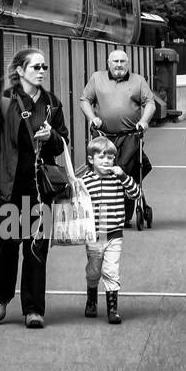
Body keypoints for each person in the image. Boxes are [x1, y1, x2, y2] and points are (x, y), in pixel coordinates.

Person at [0, 47, 70, 329]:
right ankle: (1, 297)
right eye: (36, 67)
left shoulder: (52, 103)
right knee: (6, 246)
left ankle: (33, 308)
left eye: (44, 67)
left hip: (39, 188)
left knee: (36, 247)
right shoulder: (3, 103)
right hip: (8, 188)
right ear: (20, 70)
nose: (42, 71)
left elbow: (64, 141)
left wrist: (51, 135)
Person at [80, 50, 155, 226]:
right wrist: (92, 118)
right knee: (100, 173)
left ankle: (125, 215)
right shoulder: (97, 78)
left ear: (127, 63)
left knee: (125, 173)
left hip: (129, 136)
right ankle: (98, 213)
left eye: (122, 61)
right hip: (103, 136)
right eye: (115, 61)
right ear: (108, 63)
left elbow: (150, 103)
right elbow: (85, 100)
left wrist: (144, 121)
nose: (119, 65)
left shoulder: (138, 80)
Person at [77, 136, 139, 324]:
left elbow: (135, 193)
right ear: (91, 160)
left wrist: (123, 176)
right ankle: (92, 299)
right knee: (93, 271)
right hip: (94, 236)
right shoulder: (85, 181)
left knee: (111, 271)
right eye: (101, 158)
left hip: (114, 234)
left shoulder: (119, 179)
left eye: (110, 158)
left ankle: (113, 309)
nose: (106, 161)